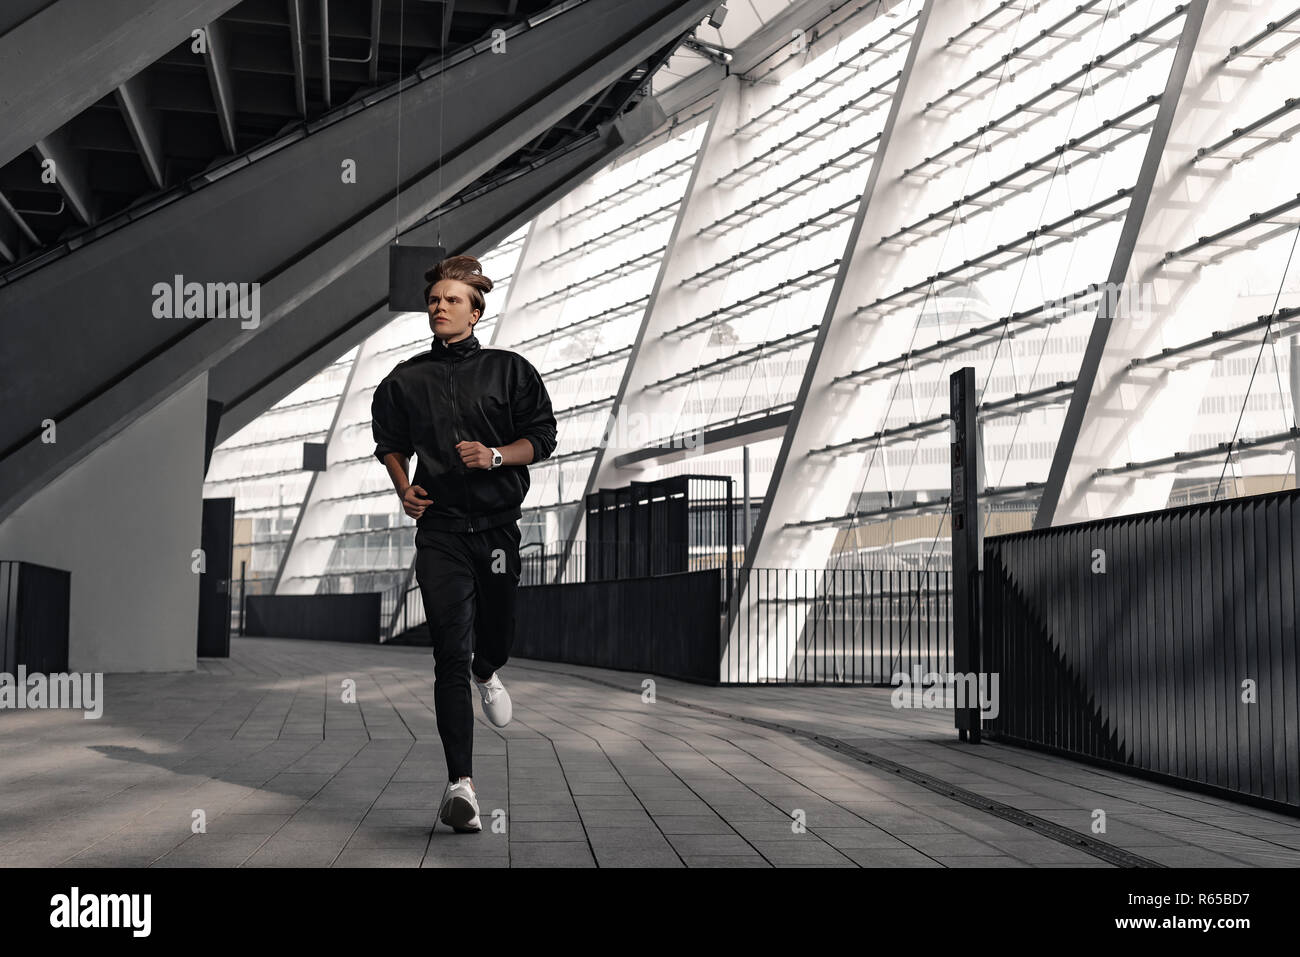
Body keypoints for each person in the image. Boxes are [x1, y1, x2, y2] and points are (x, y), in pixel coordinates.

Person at [371, 255, 557, 833]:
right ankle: (462, 786)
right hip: (442, 533)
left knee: (495, 636)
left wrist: (497, 455)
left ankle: (489, 668)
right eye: (433, 300)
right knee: (446, 652)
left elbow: (543, 437)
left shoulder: (510, 371)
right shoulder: (405, 379)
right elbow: (390, 442)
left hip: (498, 530)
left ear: (476, 311)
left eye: (451, 300)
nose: (439, 307)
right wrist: (404, 488)